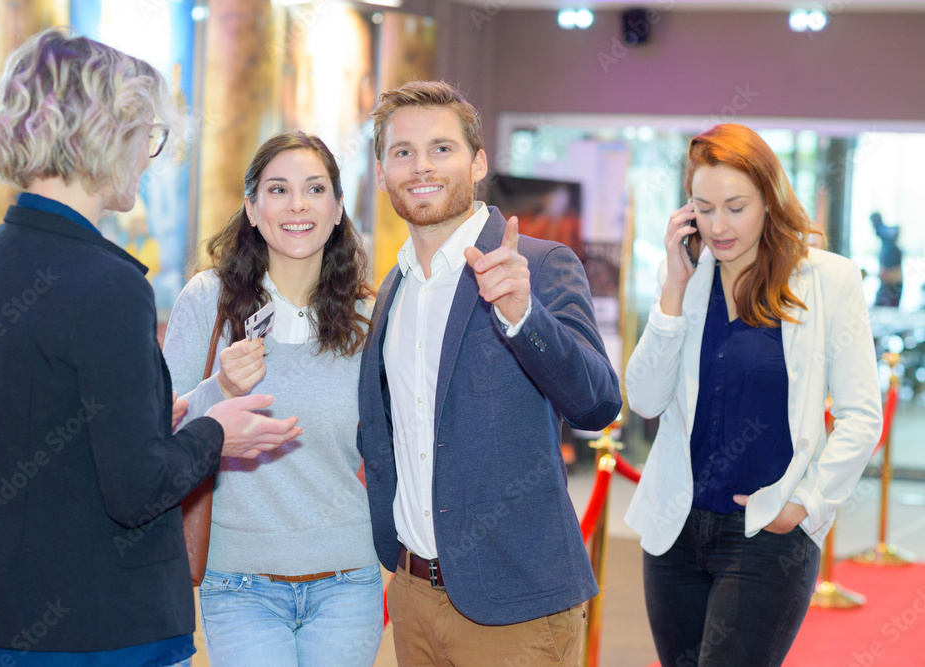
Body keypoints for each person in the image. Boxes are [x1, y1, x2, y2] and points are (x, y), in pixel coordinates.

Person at [0, 28, 301, 666]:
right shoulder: (108, 283)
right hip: (107, 626)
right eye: (147, 134)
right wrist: (214, 433)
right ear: (105, 134)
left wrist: (145, 426)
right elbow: (136, 490)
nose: (149, 157)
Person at [358, 80, 622, 665]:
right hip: (411, 594)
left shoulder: (541, 265)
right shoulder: (393, 290)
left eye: (442, 148)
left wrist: (524, 316)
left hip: (516, 603)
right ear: (382, 173)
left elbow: (598, 404)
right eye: (402, 152)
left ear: (477, 163)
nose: (421, 166)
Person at [624, 123, 883, 666]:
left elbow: (862, 415)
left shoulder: (828, 280)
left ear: (769, 198)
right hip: (675, 531)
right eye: (704, 207)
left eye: (736, 206)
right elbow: (645, 399)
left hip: (767, 533)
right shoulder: (686, 281)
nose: (719, 226)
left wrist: (805, 503)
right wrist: (671, 289)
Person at [163, 131, 383, 666]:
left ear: (336, 211)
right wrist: (221, 389)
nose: (297, 205)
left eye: (314, 189)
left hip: (348, 580)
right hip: (239, 584)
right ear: (252, 209)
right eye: (278, 189)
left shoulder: (367, 317)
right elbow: (159, 431)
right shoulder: (208, 301)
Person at [871, 211, 902, 307]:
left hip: (891, 290)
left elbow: (896, 274)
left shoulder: (890, 246)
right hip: (886, 288)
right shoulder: (885, 246)